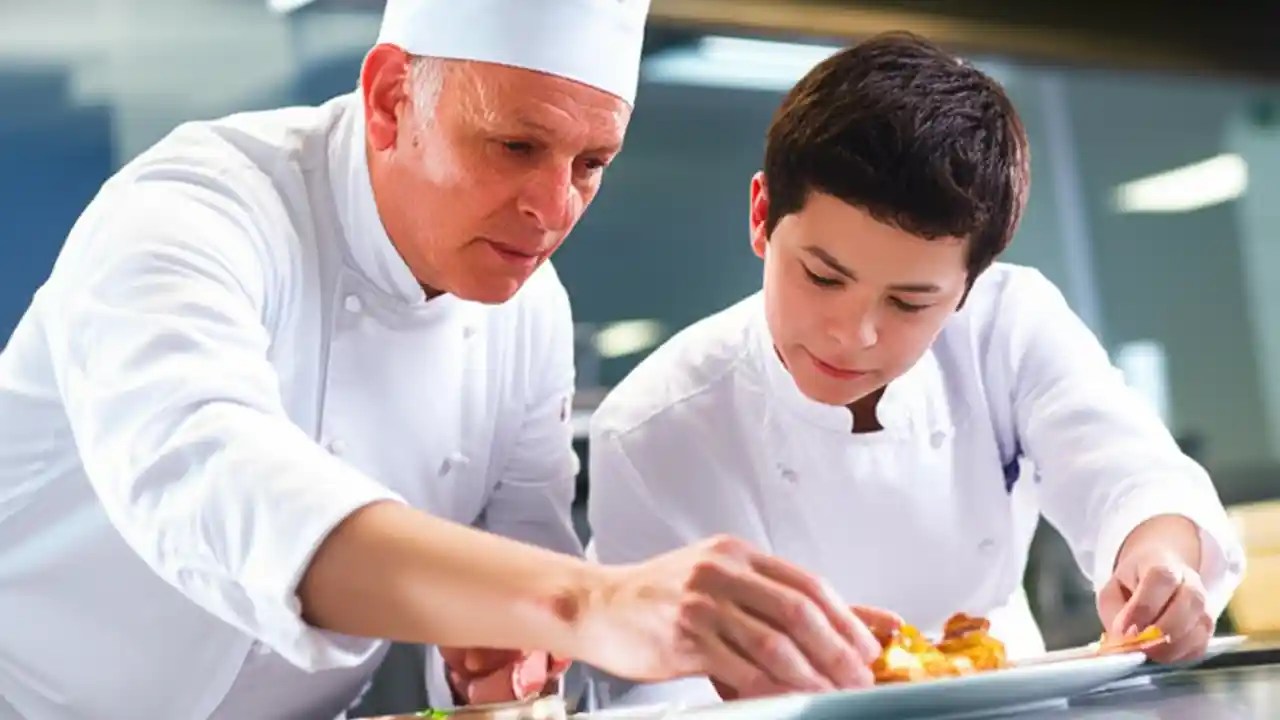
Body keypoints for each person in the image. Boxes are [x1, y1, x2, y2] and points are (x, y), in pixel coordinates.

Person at [0, 1, 887, 717]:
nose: (554, 210)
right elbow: (206, 467)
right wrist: (589, 605)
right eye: (516, 146)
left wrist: (510, 661)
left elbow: (520, 576)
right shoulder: (193, 210)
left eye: (591, 163)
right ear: (392, 99)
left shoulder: (530, 313)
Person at [586, 32, 1246, 706]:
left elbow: (1133, 477)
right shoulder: (651, 429)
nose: (854, 334)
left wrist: (1161, 566)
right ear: (762, 217)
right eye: (822, 276)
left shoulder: (1007, 324)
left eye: (909, 302)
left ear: (966, 289)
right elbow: (651, 694)